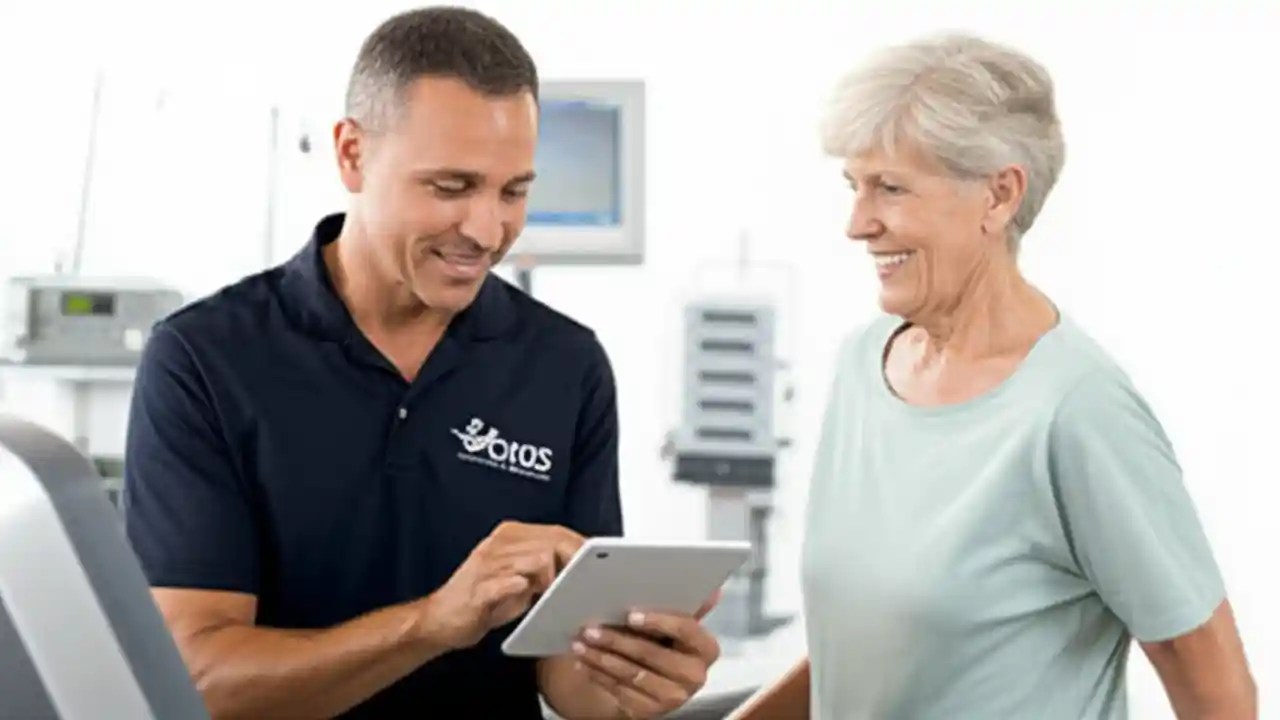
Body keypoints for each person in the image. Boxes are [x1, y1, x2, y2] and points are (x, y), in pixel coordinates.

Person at [122, 7, 720, 719]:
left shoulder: (565, 364)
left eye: (514, 191)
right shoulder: (204, 359)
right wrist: (431, 623)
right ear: (351, 154)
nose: (487, 230)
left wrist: (636, 677)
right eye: (451, 187)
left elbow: (567, 681)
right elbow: (199, 683)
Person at [735, 33, 1257, 719]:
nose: (857, 224)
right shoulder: (864, 365)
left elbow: (1220, 694)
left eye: (890, 188)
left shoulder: (1076, 411)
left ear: (1000, 195)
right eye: (853, 187)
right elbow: (873, 653)